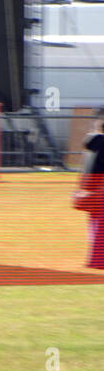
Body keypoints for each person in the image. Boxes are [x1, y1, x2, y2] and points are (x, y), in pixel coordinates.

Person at [73, 107, 104, 270]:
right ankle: (99, 261)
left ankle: (95, 259)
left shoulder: (92, 142)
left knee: (95, 224)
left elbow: (84, 167)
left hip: (90, 185)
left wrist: (82, 188)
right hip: (101, 186)